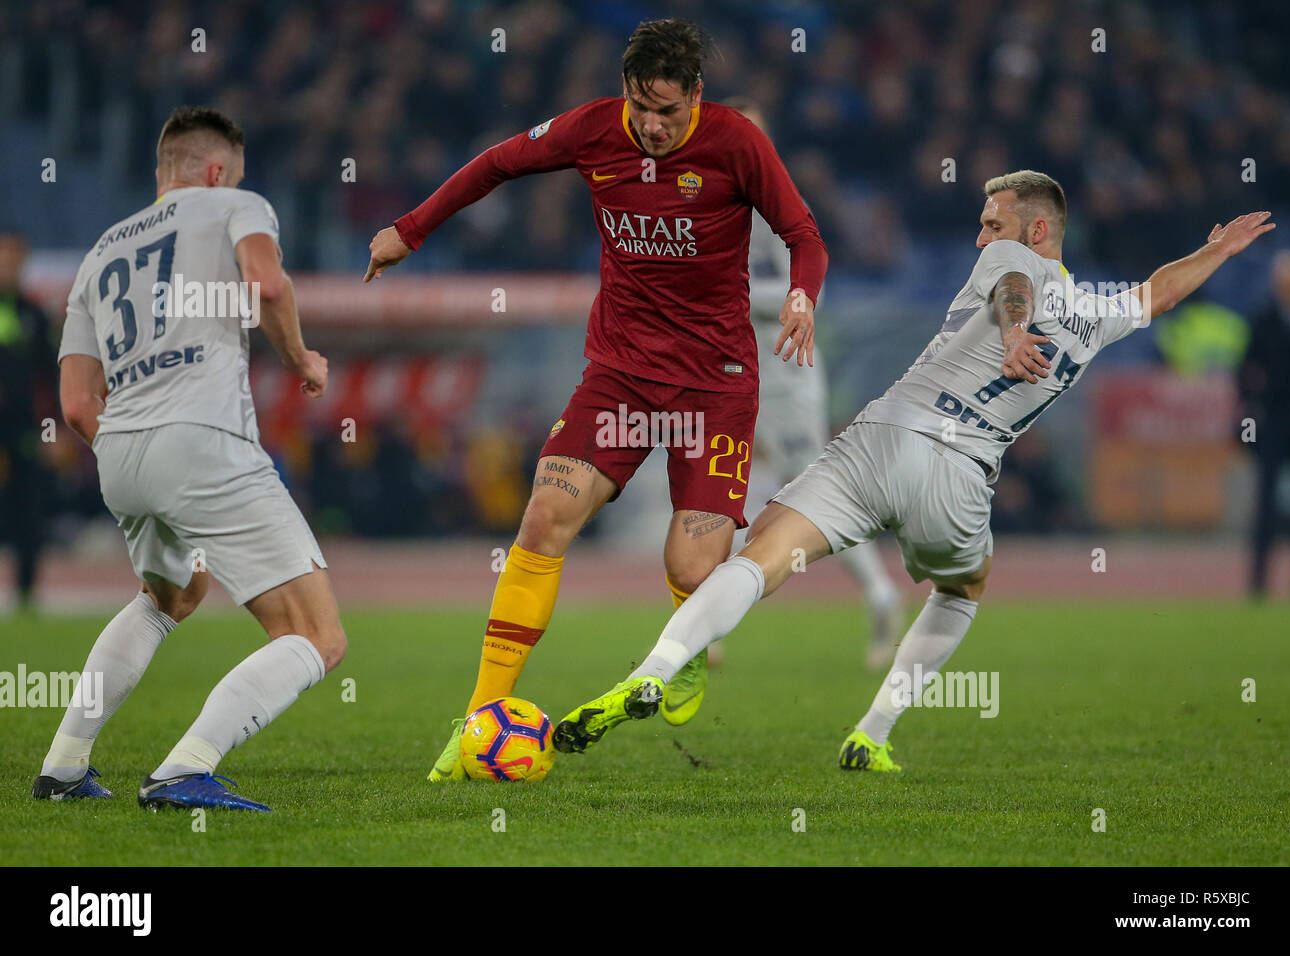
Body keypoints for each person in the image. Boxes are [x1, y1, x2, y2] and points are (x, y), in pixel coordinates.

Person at [552, 171, 1274, 770]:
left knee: (762, 553)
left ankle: (655, 670)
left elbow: (1015, 287)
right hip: (960, 475)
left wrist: (1016, 332)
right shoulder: (1094, 313)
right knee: (962, 587)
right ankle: (873, 732)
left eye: (993, 223)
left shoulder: (1009, 258)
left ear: (1037, 230)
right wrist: (1217, 253)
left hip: (882, 438)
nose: (982, 237)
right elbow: (1157, 294)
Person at [364, 18, 827, 782]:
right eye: (641, 107)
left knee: (691, 565)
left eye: (667, 112)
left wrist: (803, 296)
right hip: (621, 374)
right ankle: (477, 717)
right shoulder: (591, 130)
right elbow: (496, 163)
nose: (652, 125)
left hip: (715, 383)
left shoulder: (737, 141)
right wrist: (411, 230)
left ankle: (687, 648)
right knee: (544, 517)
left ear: (696, 97)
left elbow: (804, 234)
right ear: (625, 92)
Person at [33, 106, 345, 811]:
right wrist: (301, 358)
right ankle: (184, 769)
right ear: (216, 170)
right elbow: (267, 282)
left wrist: (136, 453)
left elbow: (77, 403)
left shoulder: (99, 253)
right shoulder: (236, 203)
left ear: (161, 171)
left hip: (119, 453)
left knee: (171, 595)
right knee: (315, 635)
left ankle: (63, 768)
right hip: (203, 439)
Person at [725, 97, 903, 670]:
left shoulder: (779, 207)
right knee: (715, 486)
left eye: (755, 134)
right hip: (729, 372)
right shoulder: (707, 204)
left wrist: (726, 295)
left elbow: (801, 294)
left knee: (809, 495)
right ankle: (705, 621)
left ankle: (880, 593)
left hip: (784, 373)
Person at [0, 231, 57, 610]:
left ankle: (25, 593)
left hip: (23, 432)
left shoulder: (34, 314)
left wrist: (52, 435)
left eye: (14, 259)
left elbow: (49, 381)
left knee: (28, 511)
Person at [1238, 249, 1290, 596]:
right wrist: (1253, 407)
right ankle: (1258, 583)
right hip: (1274, 422)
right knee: (1266, 505)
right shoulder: (1263, 320)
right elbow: (1245, 371)